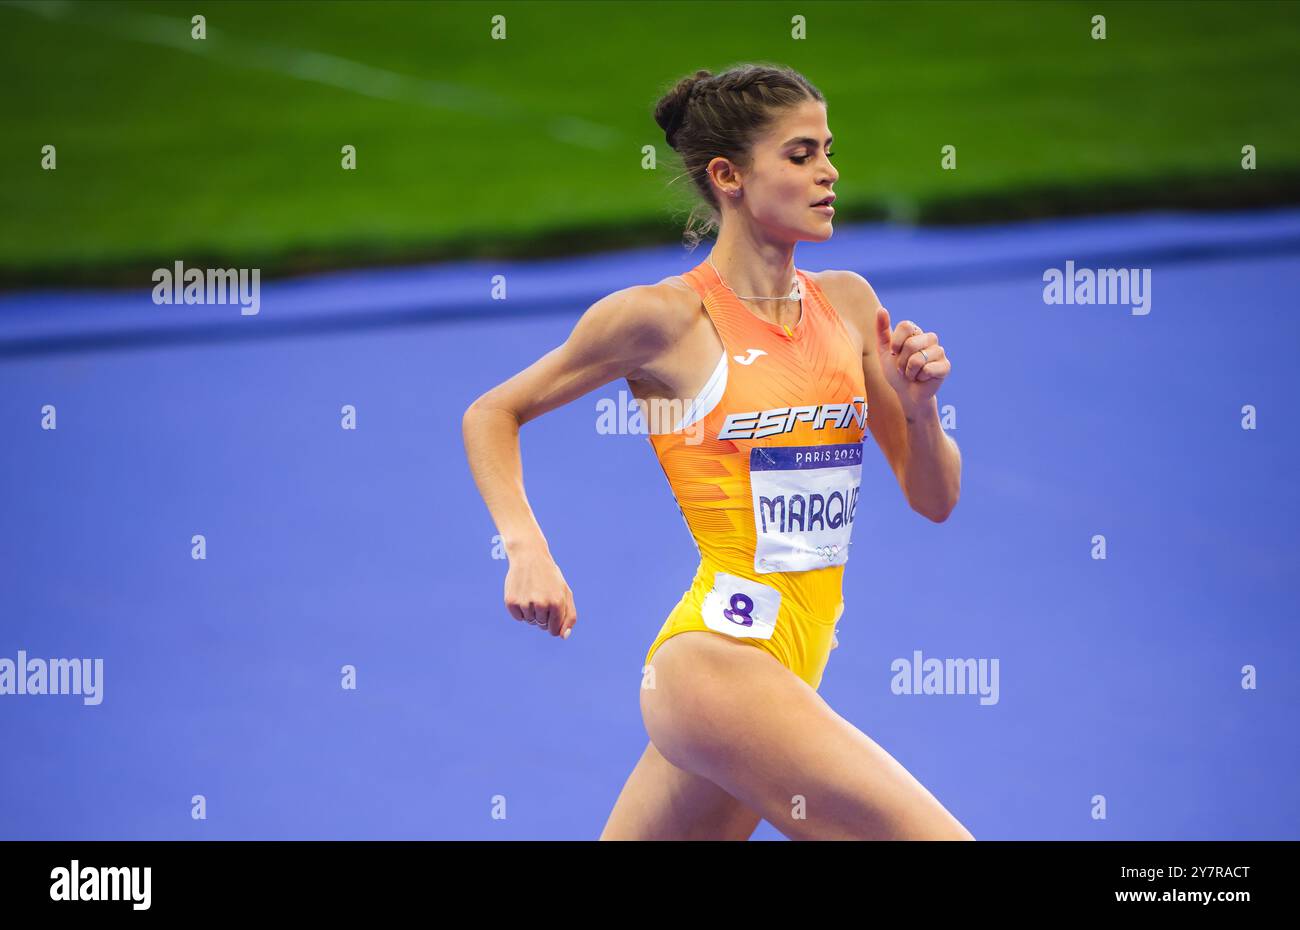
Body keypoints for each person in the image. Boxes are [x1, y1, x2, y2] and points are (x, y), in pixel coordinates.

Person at [462, 63, 971, 840]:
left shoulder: (849, 305)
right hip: (718, 665)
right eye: (800, 155)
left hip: (791, 665)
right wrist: (526, 547)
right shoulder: (665, 320)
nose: (829, 172)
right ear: (729, 176)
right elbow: (493, 411)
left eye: (829, 150)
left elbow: (934, 499)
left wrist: (920, 409)